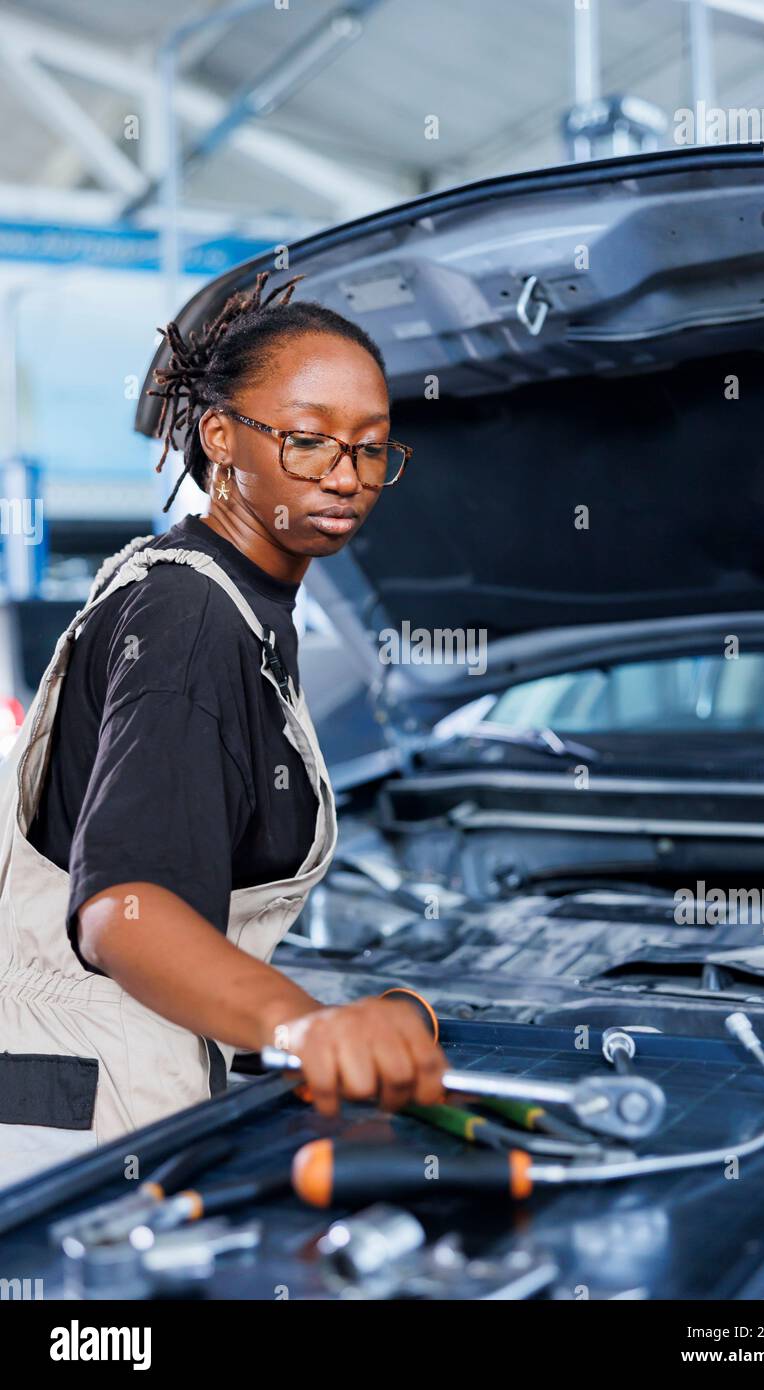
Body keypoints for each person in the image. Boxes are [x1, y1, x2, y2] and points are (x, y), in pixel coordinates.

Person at [0, 271, 445, 1186]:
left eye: (371, 449)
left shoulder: (220, 597)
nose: (347, 476)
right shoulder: (191, 619)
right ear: (220, 439)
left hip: (101, 1086)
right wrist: (310, 1026)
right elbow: (128, 913)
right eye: (310, 439)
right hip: (91, 1127)